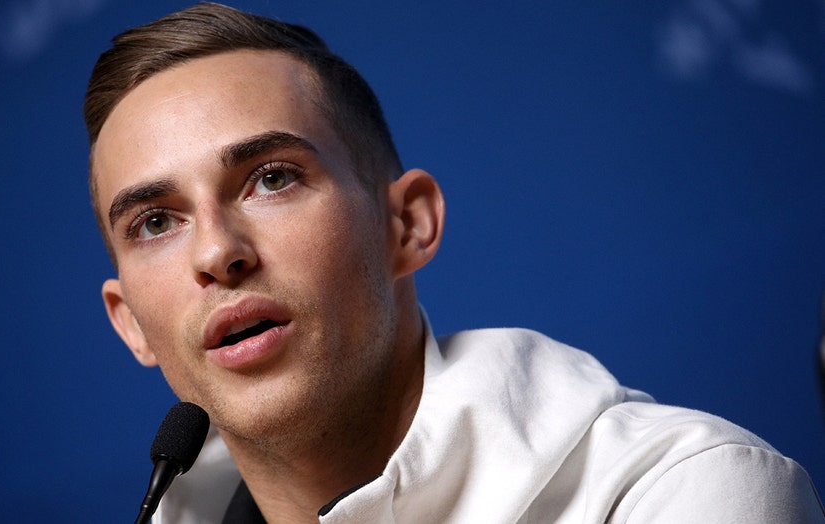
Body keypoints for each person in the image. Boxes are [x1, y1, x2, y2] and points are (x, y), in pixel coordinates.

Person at [83, 3, 824, 523]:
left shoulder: (685, 495)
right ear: (130, 324)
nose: (218, 252)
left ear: (407, 224)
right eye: (156, 222)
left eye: (272, 178)